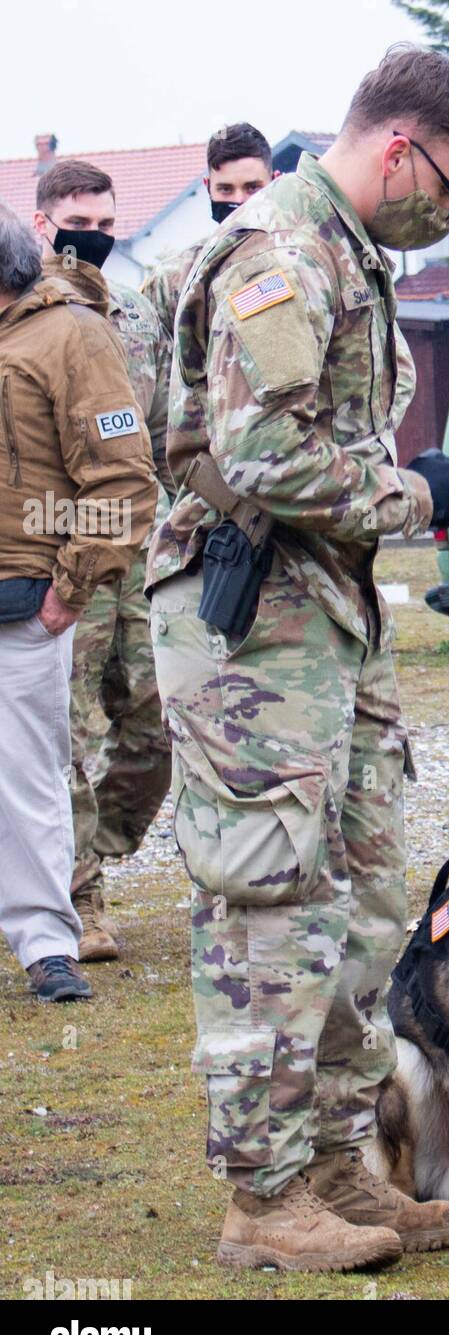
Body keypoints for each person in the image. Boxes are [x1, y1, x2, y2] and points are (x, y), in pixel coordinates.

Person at [146, 42, 449, 1273]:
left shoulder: (347, 258)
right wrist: (416, 495)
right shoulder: (281, 255)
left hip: (326, 616)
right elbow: (261, 458)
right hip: (254, 631)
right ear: (402, 147)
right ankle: (260, 1196)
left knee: (355, 895)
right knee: (267, 901)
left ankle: (334, 1167)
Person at [0, 210, 157, 1001]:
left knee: (29, 781)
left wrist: (70, 587)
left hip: (21, 603)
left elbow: (124, 480)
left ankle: (46, 943)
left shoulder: (71, 335)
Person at [33, 160, 176, 963]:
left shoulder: (136, 316)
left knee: (158, 726)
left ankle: (90, 849)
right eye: (76, 220)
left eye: (104, 220)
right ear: (45, 220)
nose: (92, 234)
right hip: (66, 548)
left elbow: (157, 437)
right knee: (71, 734)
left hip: (143, 557)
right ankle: (77, 897)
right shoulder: (30, 315)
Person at [141, 123, 275, 339]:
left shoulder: (305, 261)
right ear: (208, 187)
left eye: (252, 188)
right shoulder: (173, 279)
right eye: (225, 189)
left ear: (274, 182)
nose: (239, 200)